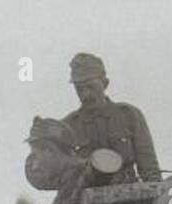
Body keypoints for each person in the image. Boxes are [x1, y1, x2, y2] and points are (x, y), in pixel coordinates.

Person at [60, 53, 161, 183]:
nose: (86, 94)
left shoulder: (129, 115)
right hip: (85, 199)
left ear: (105, 84)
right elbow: (61, 178)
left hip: (129, 197)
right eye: (80, 89)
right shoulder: (68, 127)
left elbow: (149, 169)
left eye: (91, 87)